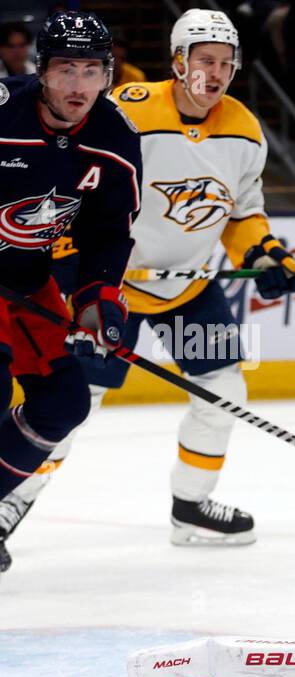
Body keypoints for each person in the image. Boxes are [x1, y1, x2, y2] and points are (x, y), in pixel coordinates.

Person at [3, 9, 295, 559]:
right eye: (204, 60)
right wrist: (75, 266)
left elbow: (242, 209)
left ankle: (191, 504)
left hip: (188, 290)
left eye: (226, 63)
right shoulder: (127, 111)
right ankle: (10, 503)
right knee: (76, 401)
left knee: (222, 390)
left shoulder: (245, 129)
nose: (215, 73)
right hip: (116, 288)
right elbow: (78, 193)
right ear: (178, 61)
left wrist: (263, 250)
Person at [0, 12, 143, 574]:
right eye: (66, 70)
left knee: (65, 403)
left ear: (107, 75)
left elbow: (107, 233)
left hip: (26, 282)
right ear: (41, 71)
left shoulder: (115, 137)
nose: (78, 85)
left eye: (91, 70)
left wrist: (97, 300)